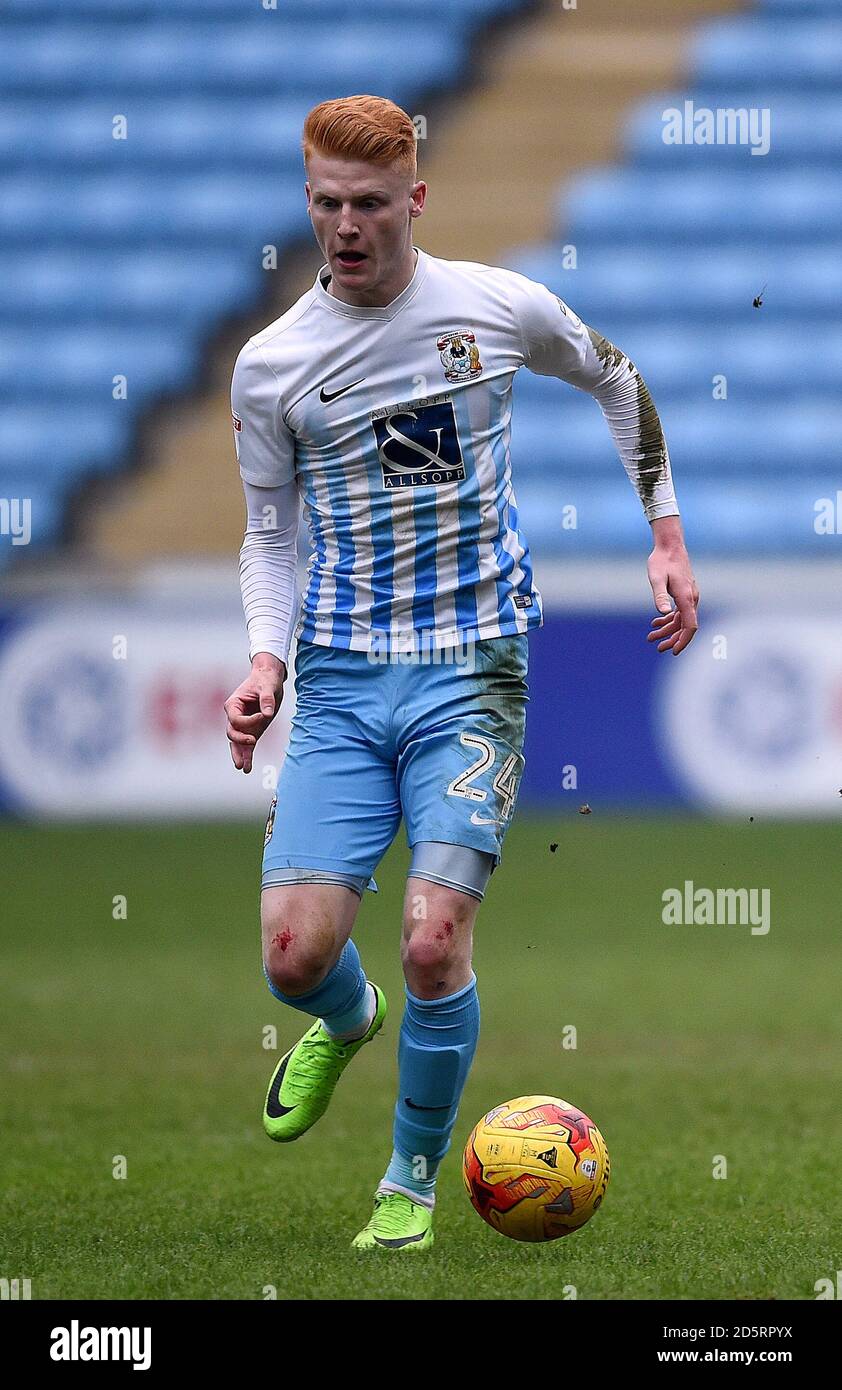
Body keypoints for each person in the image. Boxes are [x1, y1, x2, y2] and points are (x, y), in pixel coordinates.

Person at [224, 94, 699, 1251]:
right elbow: (269, 537)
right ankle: (347, 1016)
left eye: (369, 204)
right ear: (310, 203)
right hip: (339, 679)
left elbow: (616, 377)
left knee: (435, 935)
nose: (346, 225)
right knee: (294, 957)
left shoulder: (494, 307)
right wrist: (265, 659)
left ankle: (409, 1183)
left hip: (469, 669)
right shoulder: (270, 366)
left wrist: (665, 531)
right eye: (326, 204)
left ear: (413, 200)